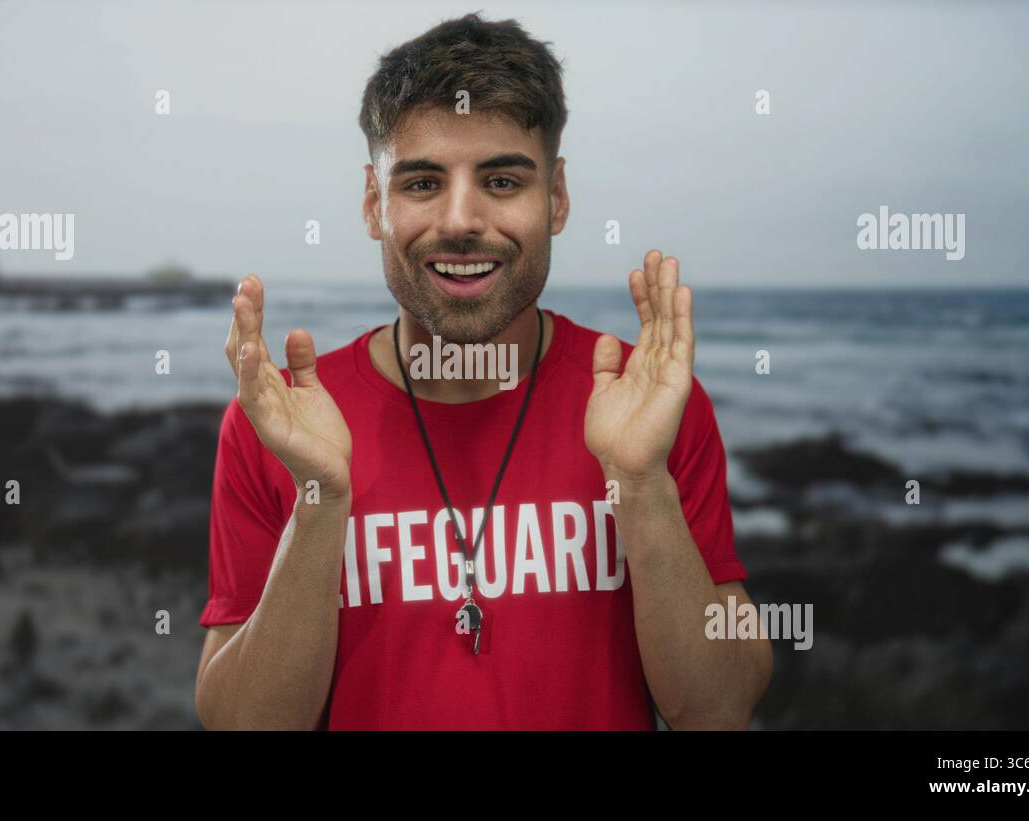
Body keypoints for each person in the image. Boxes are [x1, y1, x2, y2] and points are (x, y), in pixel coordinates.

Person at [194, 13, 772, 730]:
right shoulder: (279, 424)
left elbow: (718, 709)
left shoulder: (652, 406)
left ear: (555, 198)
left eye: (501, 180)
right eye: (422, 183)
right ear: (375, 204)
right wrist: (319, 499)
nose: (461, 220)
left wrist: (643, 483)